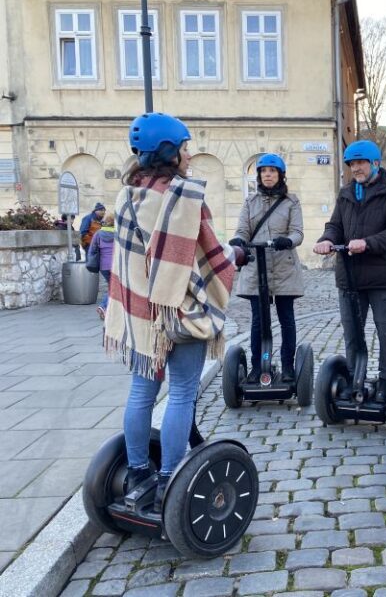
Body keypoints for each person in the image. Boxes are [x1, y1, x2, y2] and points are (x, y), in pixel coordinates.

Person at [104, 112, 247, 512]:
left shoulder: (126, 196)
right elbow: (209, 257)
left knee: (141, 391)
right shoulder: (184, 198)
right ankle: (169, 477)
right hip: (179, 313)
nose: (188, 154)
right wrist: (236, 255)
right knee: (182, 392)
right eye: (184, 147)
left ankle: (136, 472)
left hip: (139, 311)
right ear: (169, 151)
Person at [313, 140, 386, 402]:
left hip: (382, 278)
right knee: (353, 332)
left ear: (375, 163)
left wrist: (367, 244)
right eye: (352, 164)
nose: (355, 168)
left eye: (360, 162)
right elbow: (335, 225)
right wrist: (326, 239)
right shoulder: (346, 193)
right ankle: (356, 379)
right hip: (349, 277)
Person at [228, 154, 305, 382]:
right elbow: (242, 229)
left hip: (284, 268)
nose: (268, 175)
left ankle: (289, 366)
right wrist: (238, 241)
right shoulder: (250, 202)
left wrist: (288, 241)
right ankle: (257, 366)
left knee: (286, 319)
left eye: (272, 171)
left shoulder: (291, 202)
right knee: (258, 321)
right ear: (259, 175)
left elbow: (298, 232)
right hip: (256, 268)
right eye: (264, 171)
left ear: (281, 175)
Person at [88, 211, 116, 319]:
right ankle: (104, 306)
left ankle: (108, 308)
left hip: (103, 266)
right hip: (115, 266)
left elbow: (92, 250)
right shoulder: (118, 234)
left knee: (112, 286)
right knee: (114, 287)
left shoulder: (98, 234)